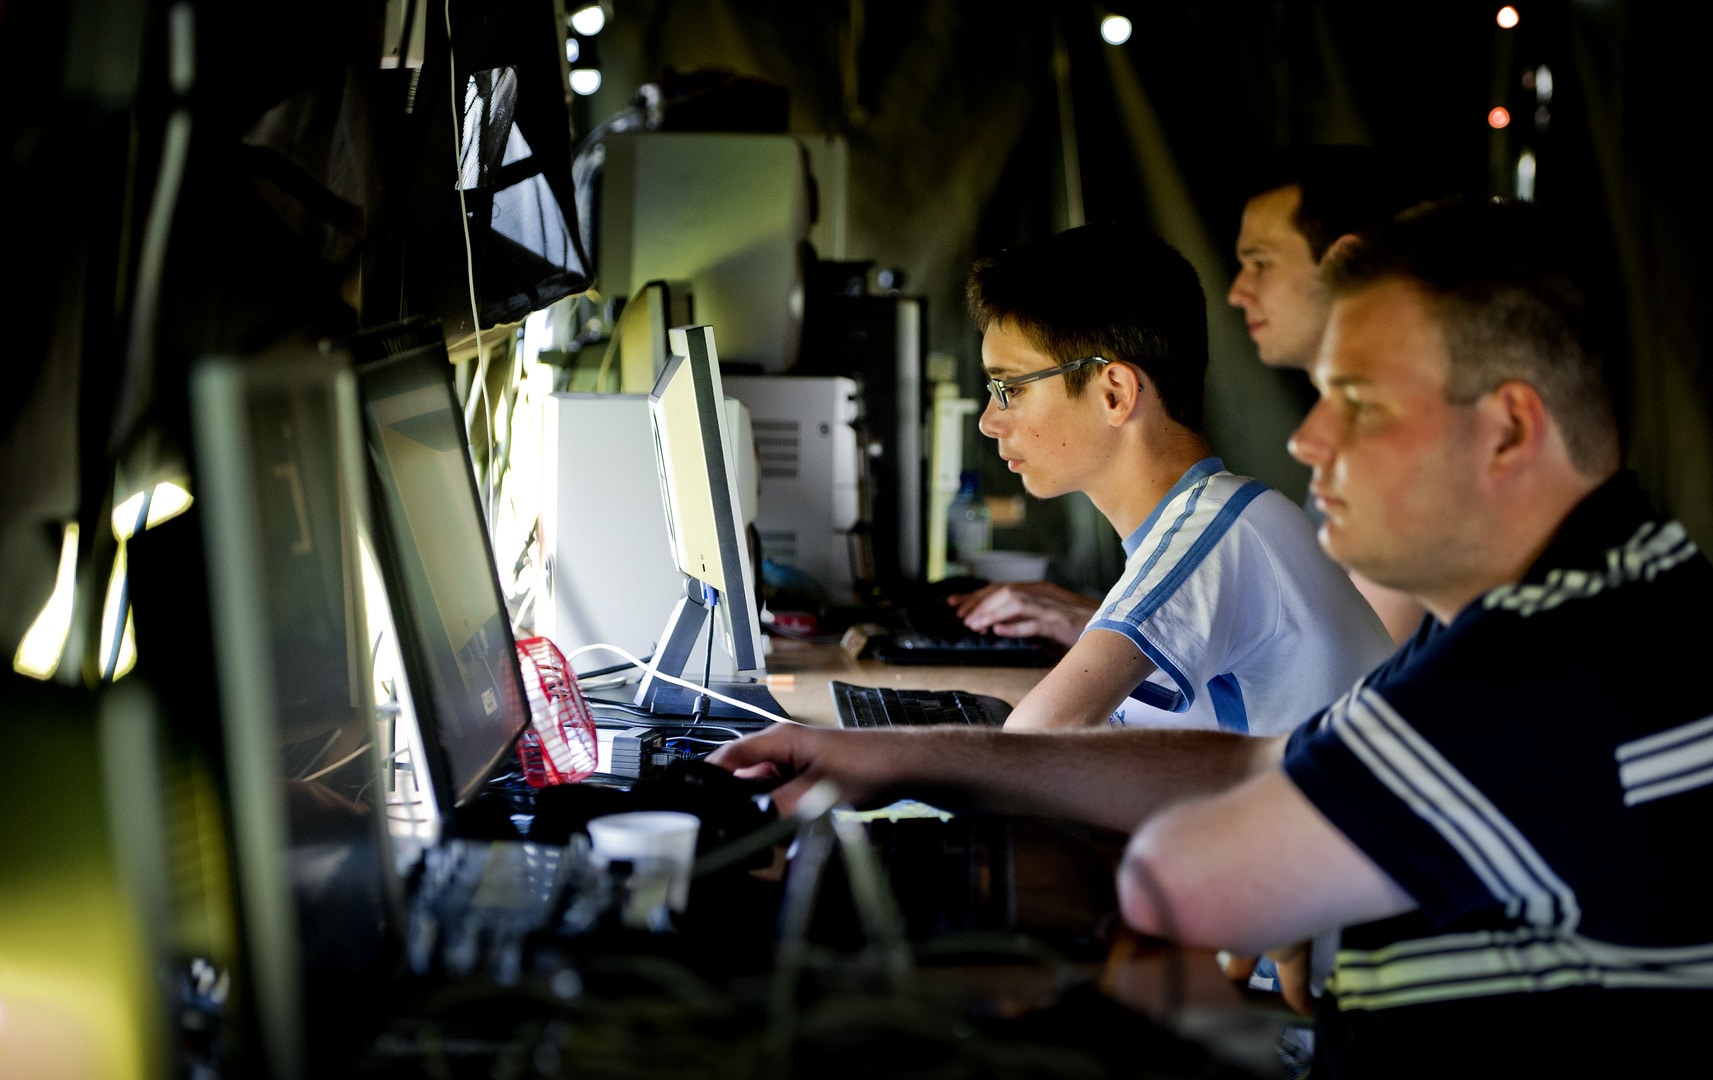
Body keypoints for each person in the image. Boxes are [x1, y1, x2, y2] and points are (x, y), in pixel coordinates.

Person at [710, 197, 1713, 1076]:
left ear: (1506, 429)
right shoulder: (1608, 600)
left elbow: (1185, 881)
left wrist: (1261, 865)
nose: (1306, 440)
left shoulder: (1548, 668)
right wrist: (883, 755)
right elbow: (1255, 767)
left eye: (1354, 402)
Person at [956, 145, 1428, 649]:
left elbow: (1362, 683)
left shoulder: (1405, 455)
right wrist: (1104, 625)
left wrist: (1116, 632)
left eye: (1261, 263)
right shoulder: (1343, 453)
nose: (1237, 291)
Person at [951, 221, 1391, 735]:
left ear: (1115, 393)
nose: (989, 420)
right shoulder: (1216, 517)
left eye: (1010, 388)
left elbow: (1030, 741)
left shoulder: (1217, 528)